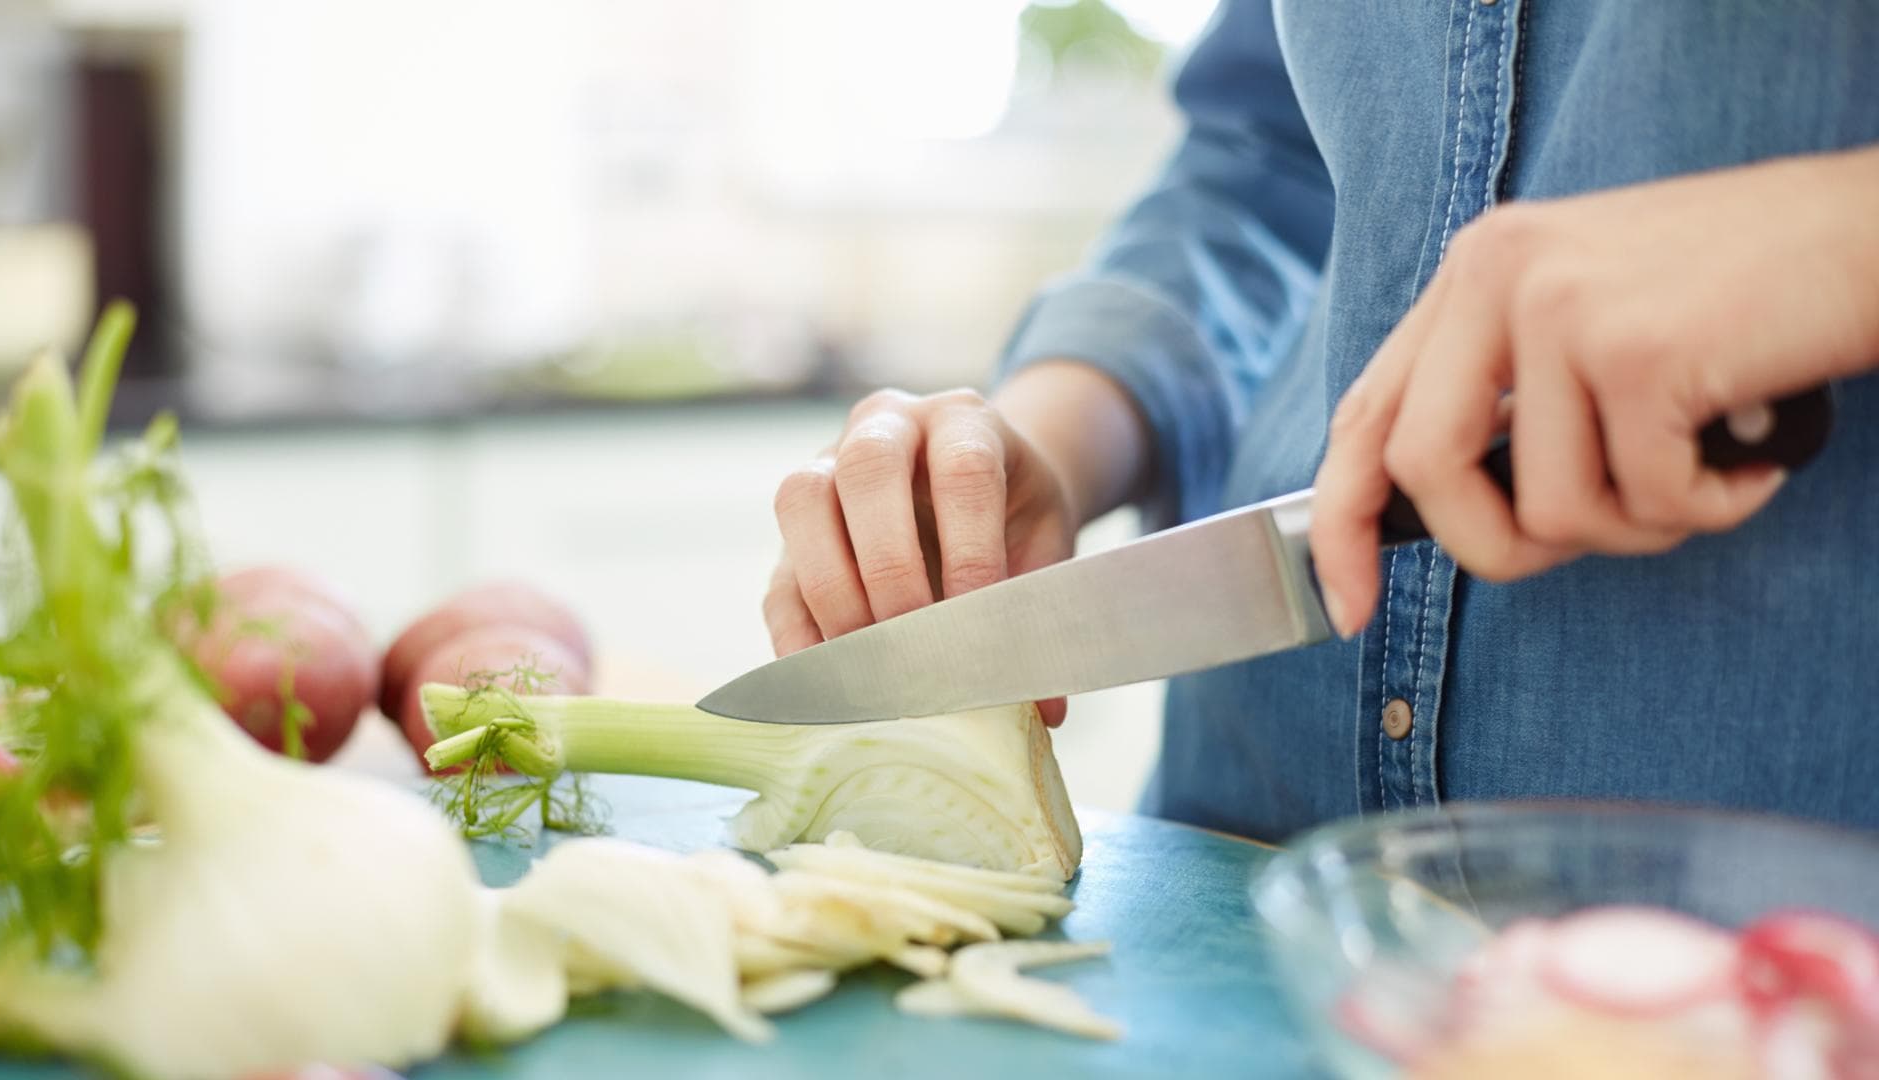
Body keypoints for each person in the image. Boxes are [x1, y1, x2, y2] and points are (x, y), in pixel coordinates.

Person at [762, 2, 1879, 842]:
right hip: (1236, 872)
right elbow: (1266, 157)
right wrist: (1047, 436)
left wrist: (1839, 238)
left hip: (1770, 933)